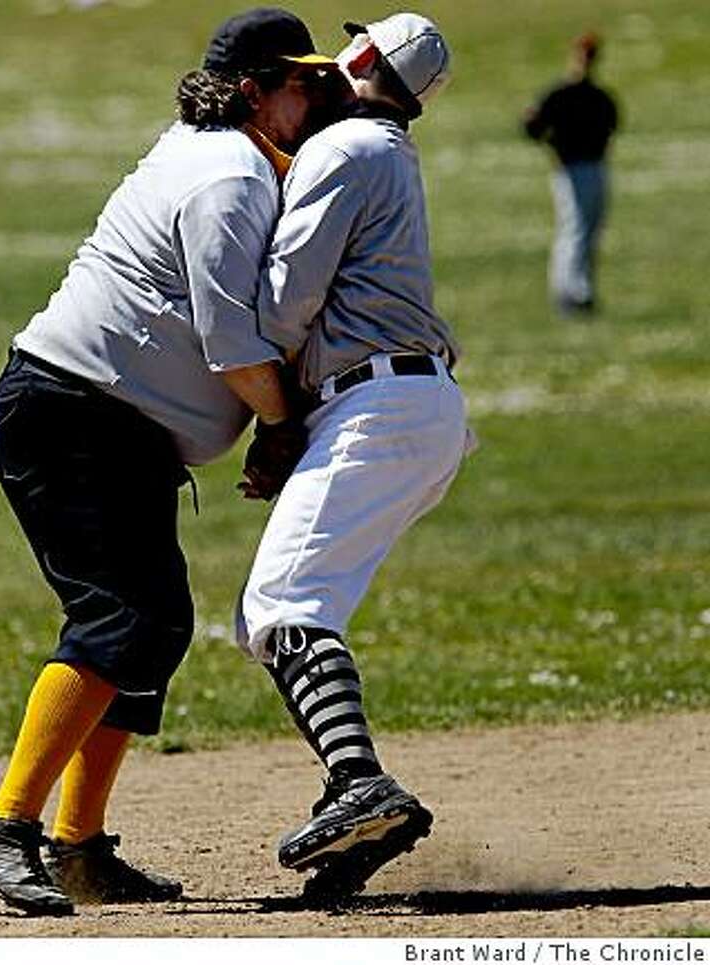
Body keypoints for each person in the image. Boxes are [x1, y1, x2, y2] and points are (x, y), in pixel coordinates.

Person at [0, 8, 354, 917]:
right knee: (121, 617)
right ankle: (3, 825)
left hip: (104, 424)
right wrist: (281, 426)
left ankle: (79, 846)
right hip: (70, 415)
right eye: (303, 82)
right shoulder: (227, 176)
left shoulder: (214, 154)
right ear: (256, 90)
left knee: (154, 625)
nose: (317, 97)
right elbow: (231, 342)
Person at [236, 12, 468, 904]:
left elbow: (288, 300)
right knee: (291, 604)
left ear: (362, 58)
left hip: (378, 406)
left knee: (282, 604)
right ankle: (356, 797)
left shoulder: (345, 151)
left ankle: (361, 785)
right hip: (402, 405)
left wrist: (266, 410)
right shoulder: (387, 151)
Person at [524, 32, 619, 315]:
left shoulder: (598, 96)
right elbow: (532, 126)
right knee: (575, 229)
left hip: (595, 165)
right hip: (571, 168)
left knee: (591, 230)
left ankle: (582, 289)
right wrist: (554, 149)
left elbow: (612, 127)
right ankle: (569, 293)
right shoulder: (561, 95)